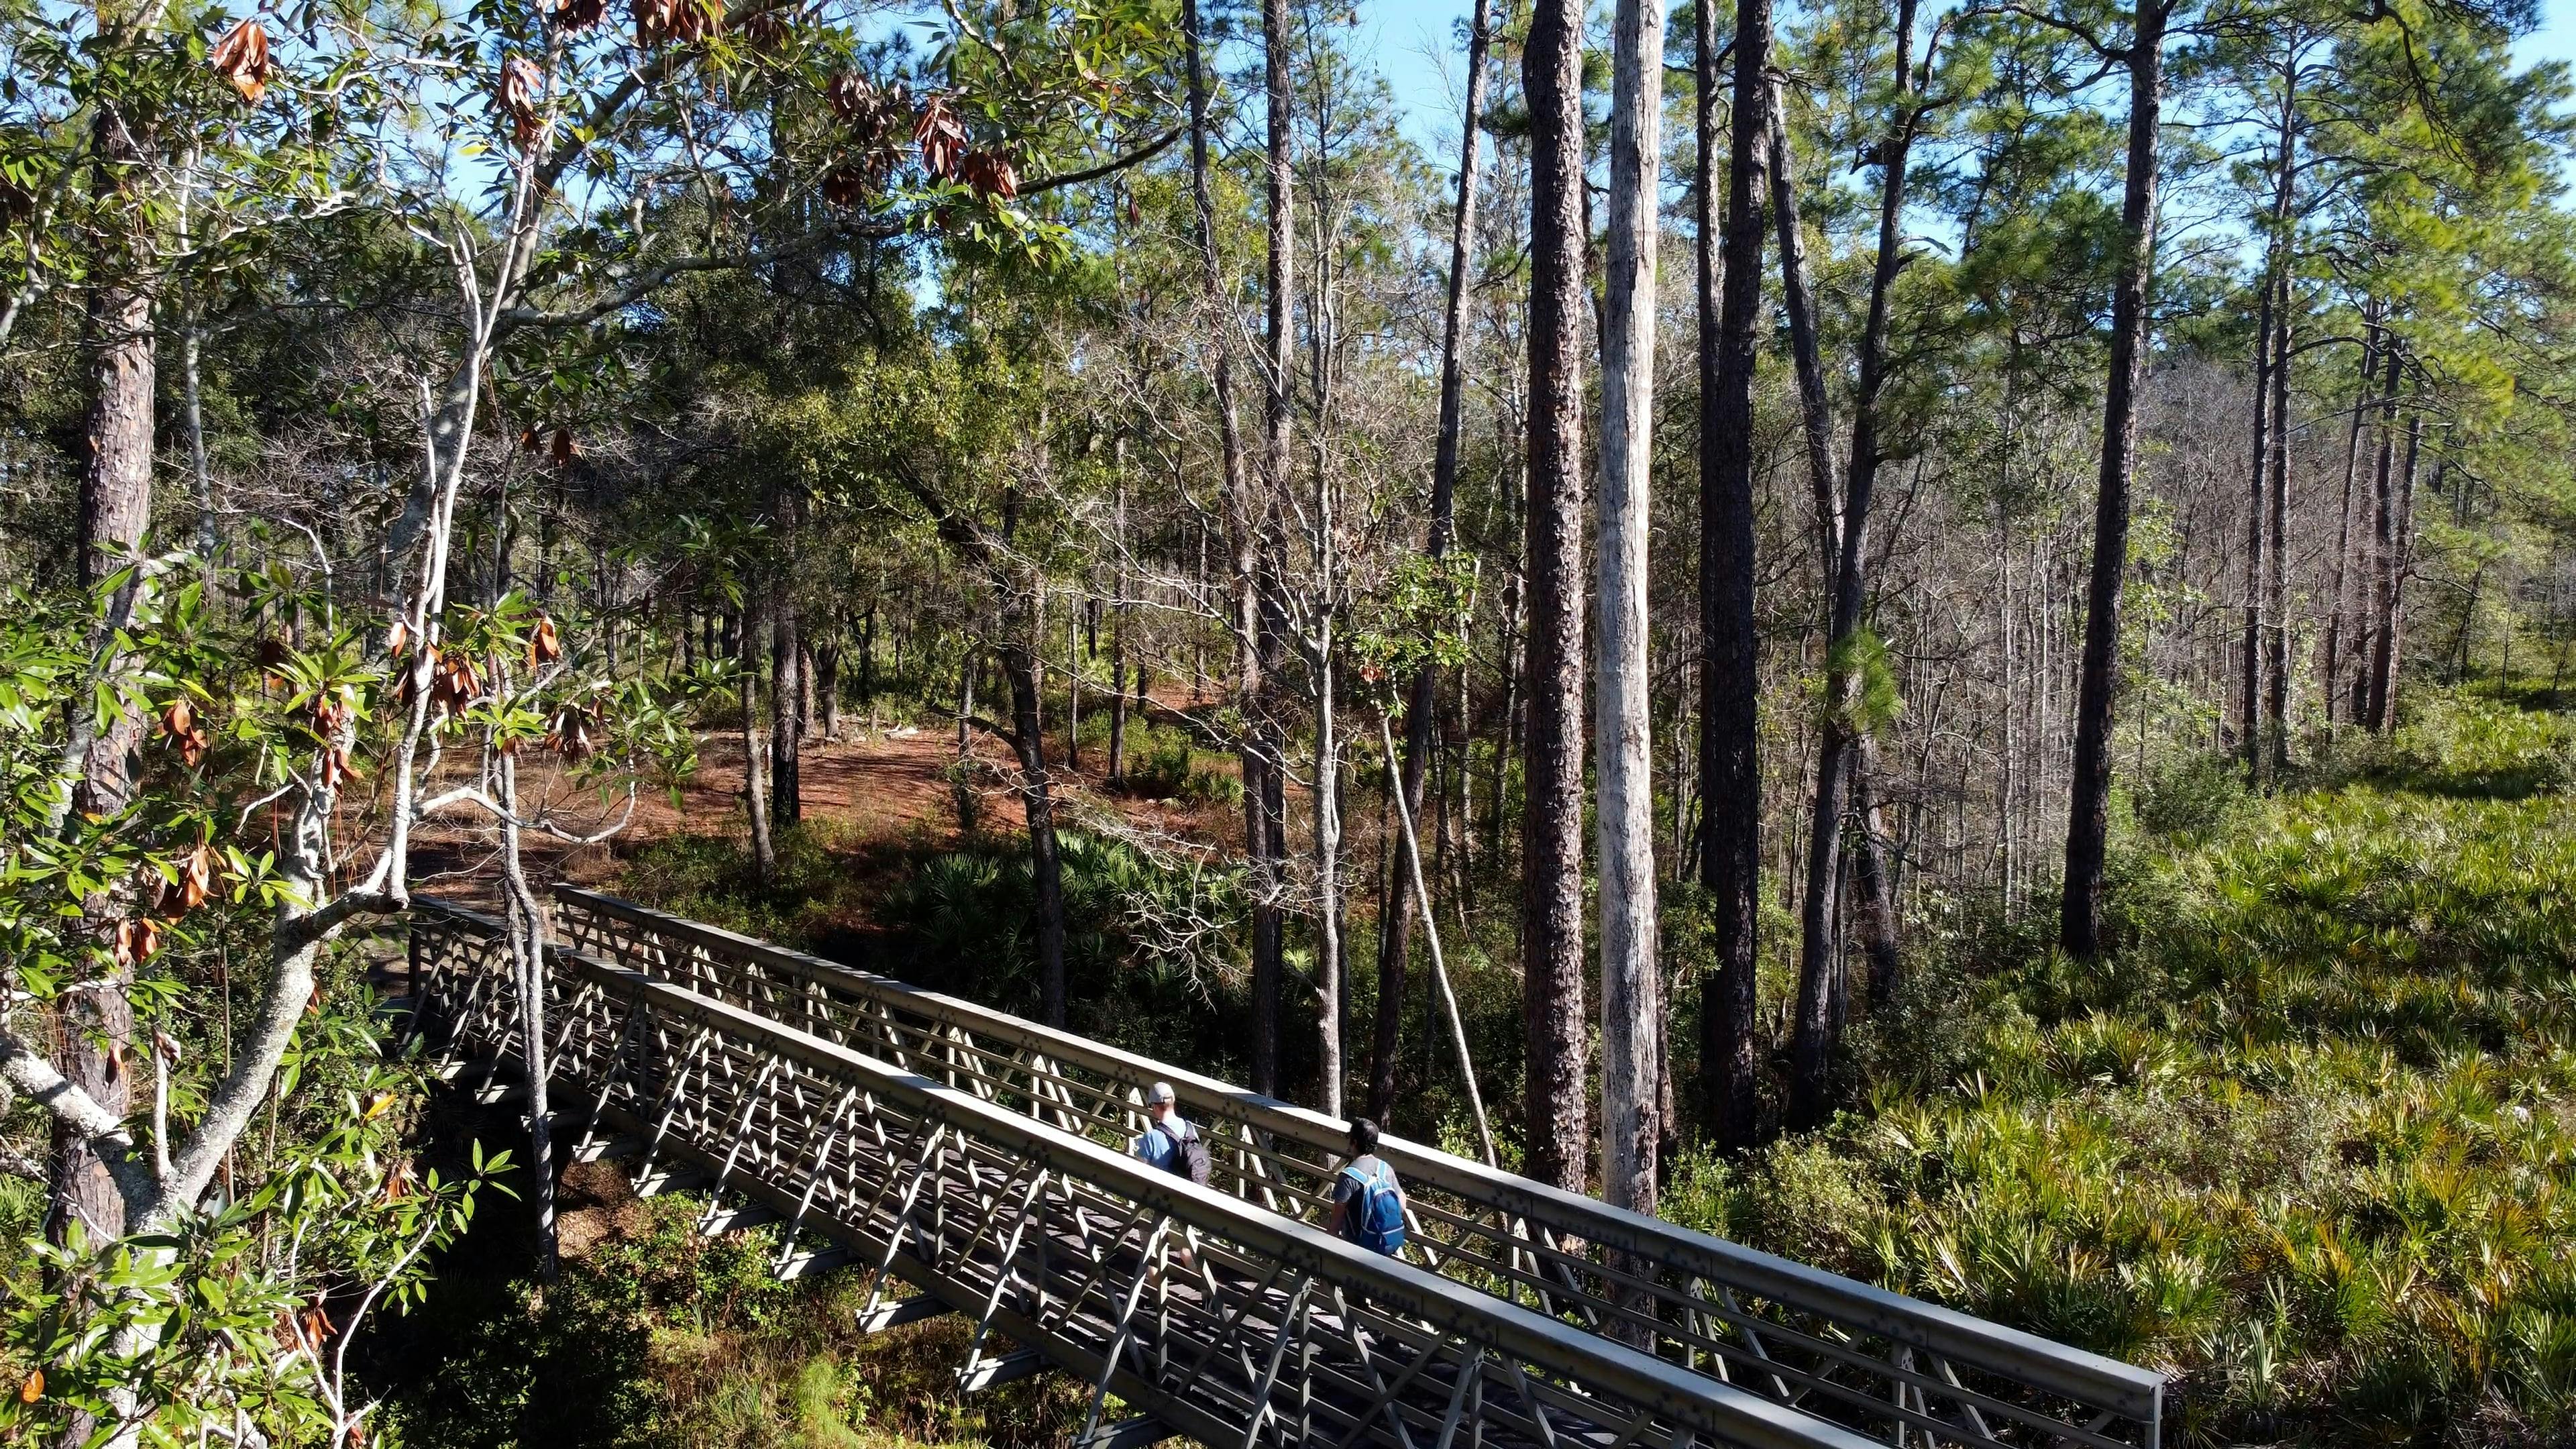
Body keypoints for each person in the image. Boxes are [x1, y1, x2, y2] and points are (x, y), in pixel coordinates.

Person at [1327, 1118, 1407, 1256]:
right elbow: (1402, 1204)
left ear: (1354, 1142)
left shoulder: (1349, 1176)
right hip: (1388, 1246)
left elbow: (1336, 1221)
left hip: (1357, 1249)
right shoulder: (1385, 1168)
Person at [1131, 1081, 1205, 1182]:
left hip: (1162, 1189)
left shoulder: (1151, 1137)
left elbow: (1139, 1173)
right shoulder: (1190, 1128)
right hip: (1189, 1187)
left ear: (1154, 1107)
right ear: (1173, 1102)